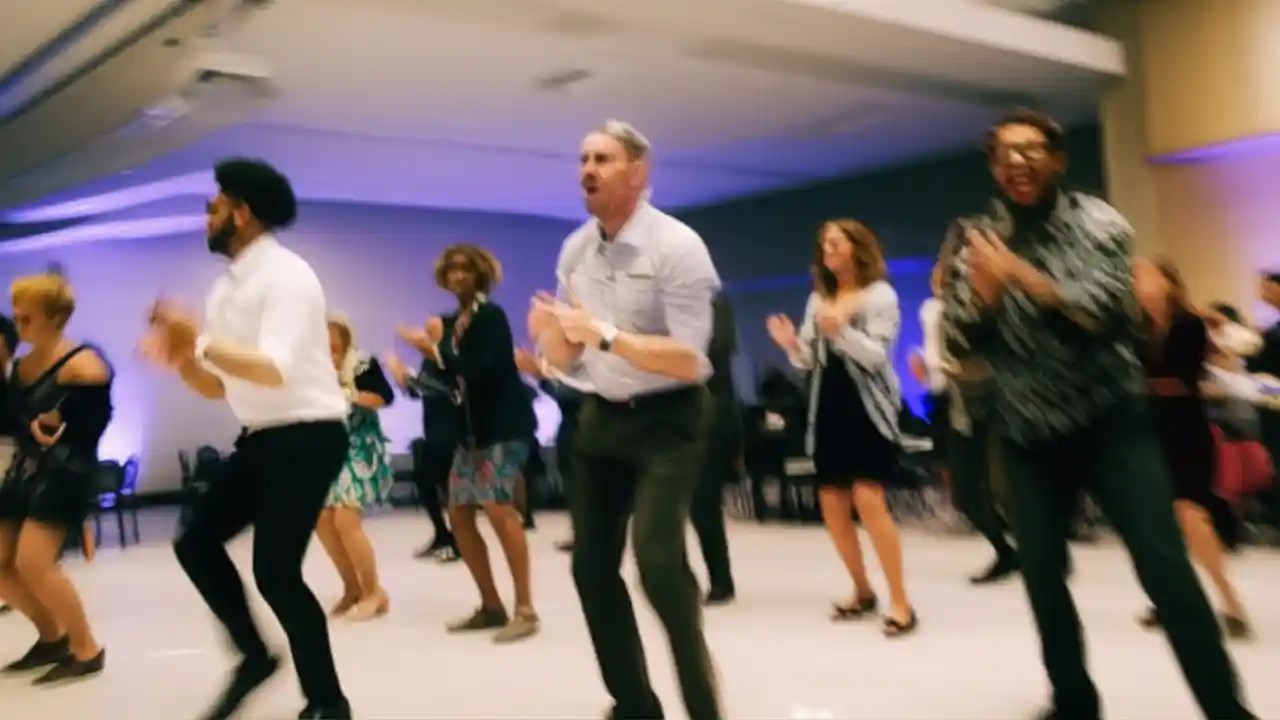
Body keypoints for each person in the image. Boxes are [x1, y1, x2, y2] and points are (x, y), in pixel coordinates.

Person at [941, 108, 1254, 720]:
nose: (1017, 162)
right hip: (1026, 431)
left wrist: (1021, 278)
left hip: (1111, 423)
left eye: (1031, 149)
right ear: (994, 167)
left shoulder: (1098, 221)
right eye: (1004, 153)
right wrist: (981, 299)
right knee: (1041, 574)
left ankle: (1226, 707)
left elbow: (1104, 310)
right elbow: (957, 338)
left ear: (1057, 159)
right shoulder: (977, 236)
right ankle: (1073, 700)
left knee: (1165, 568)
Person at [529, 119, 722, 720]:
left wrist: (605, 335)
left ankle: (703, 706)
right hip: (602, 420)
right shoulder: (575, 249)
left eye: (603, 159)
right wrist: (549, 345)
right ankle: (635, 704)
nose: (588, 169)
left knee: (660, 567)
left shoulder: (678, 246)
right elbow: (569, 351)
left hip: (670, 421)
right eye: (583, 157)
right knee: (590, 567)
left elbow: (691, 358)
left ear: (637, 173)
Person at [145, 158, 351, 720]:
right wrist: (184, 358)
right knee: (196, 541)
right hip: (263, 437)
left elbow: (274, 369)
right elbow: (220, 385)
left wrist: (201, 342)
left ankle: (329, 704)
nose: (206, 218)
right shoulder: (226, 287)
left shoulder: (287, 275)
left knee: (276, 573)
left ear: (242, 213)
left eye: (213, 208)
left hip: (309, 435)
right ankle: (255, 656)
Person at [765, 219, 916, 636]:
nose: (827, 249)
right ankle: (862, 590)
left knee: (869, 499)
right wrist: (791, 345)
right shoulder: (819, 299)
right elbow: (809, 361)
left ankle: (901, 601)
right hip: (828, 405)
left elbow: (877, 357)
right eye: (823, 244)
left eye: (835, 242)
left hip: (867, 407)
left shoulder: (879, 295)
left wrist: (842, 331)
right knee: (832, 502)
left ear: (856, 247)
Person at [387, 244, 539, 643]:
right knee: (459, 515)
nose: (458, 277)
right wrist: (418, 369)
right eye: (451, 270)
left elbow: (485, 370)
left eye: (465, 270)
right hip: (470, 435)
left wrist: (435, 351)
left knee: (499, 509)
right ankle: (491, 605)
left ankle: (525, 608)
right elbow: (447, 382)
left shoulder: (491, 317)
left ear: (480, 274)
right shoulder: (452, 322)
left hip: (504, 427)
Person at [0, 274, 111, 685]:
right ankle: (52, 637)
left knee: (33, 560)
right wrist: (33, 424)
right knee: (2, 563)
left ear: (56, 316)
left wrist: (57, 423)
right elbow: (17, 420)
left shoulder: (84, 365)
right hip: (26, 472)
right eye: (17, 313)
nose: (18, 320)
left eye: (27, 313)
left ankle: (87, 647)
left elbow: (92, 425)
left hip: (65, 472)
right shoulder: (22, 368)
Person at [1132, 259, 1251, 637]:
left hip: (1184, 429)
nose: (1139, 282)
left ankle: (1230, 604)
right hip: (1149, 430)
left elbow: (1177, 376)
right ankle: (1174, 600)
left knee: (1189, 513)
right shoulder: (1137, 327)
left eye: (1148, 275)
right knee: (1161, 523)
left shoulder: (1187, 325)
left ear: (1169, 283)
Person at [317, 315, 395, 621]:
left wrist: (350, 394)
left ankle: (374, 591)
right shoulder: (312, 371)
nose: (330, 353)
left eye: (335, 347)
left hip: (361, 448)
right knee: (322, 519)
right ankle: (352, 588)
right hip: (328, 450)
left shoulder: (362, 364)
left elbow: (383, 398)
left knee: (346, 518)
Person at [692, 292, 741, 605]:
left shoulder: (715, 303)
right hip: (673, 412)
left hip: (709, 412)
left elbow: (717, 351)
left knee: (703, 501)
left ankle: (720, 579)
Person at [513, 348, 588, 553]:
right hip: (569, 437)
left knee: (582, 491)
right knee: (575, 492)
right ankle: (580, 535)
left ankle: (586, 538)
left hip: (582, 437)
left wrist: (541, 376)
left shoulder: (587, 368)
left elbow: (569, 397)